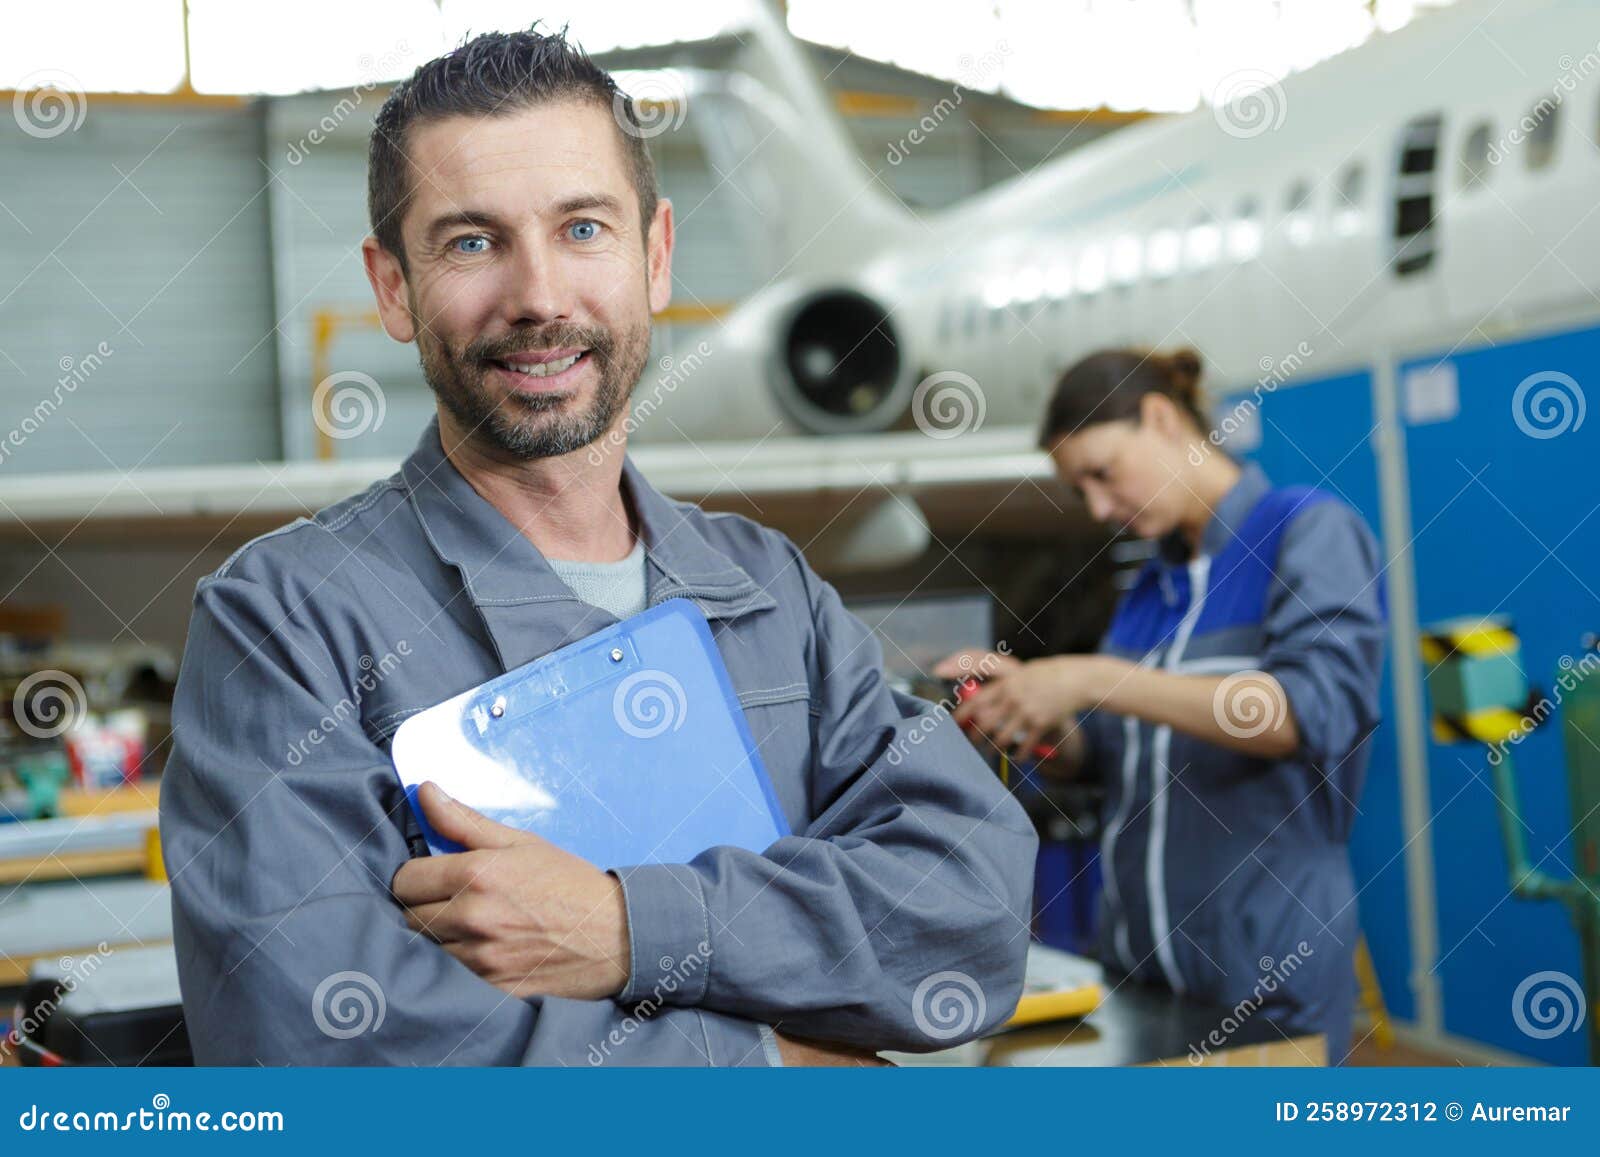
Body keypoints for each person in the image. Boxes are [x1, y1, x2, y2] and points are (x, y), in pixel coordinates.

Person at [158, 28, 1036, 1067]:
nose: (536, 296)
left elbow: (967, 915)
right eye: (471, 241)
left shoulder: (765, 590)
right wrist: (775, 1056)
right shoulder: (286, 621)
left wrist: (624, 925)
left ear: (654, 255)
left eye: (582, 227)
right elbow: (315, 1047)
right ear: (392, 287)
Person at [937, 348, 1385, 1063]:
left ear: (1160, 418)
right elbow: (1114, 748)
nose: (1098, 507)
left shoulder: (1307, 531)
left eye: (1102, 473)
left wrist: (1088, 678)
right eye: (1079, 488)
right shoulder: (1152, 589)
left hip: (1265, 971)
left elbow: (1311, 710)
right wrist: (1033, 714)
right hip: (1139, 967)